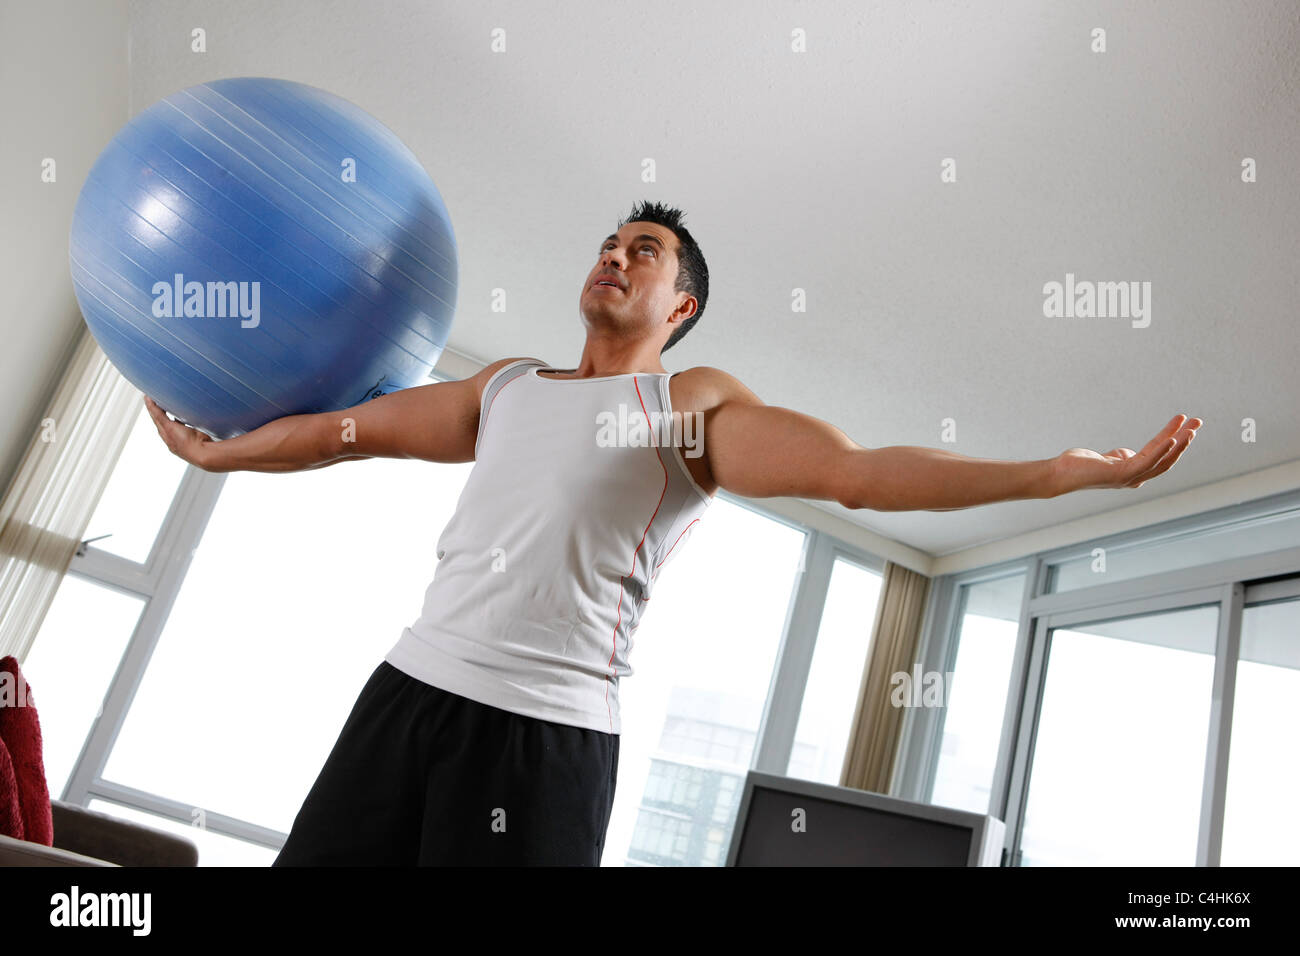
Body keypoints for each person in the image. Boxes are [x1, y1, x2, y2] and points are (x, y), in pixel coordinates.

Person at [145, 200, 1201, 866]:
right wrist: (218, 454)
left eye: (640, 250)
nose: (613, 255)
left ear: (680, 303)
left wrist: (1051, 474)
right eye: (607, 242)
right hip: (407, 693)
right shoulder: (505, 385)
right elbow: (342, 432)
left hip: (542, 735)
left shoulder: (685, 408)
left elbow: (857, 474)